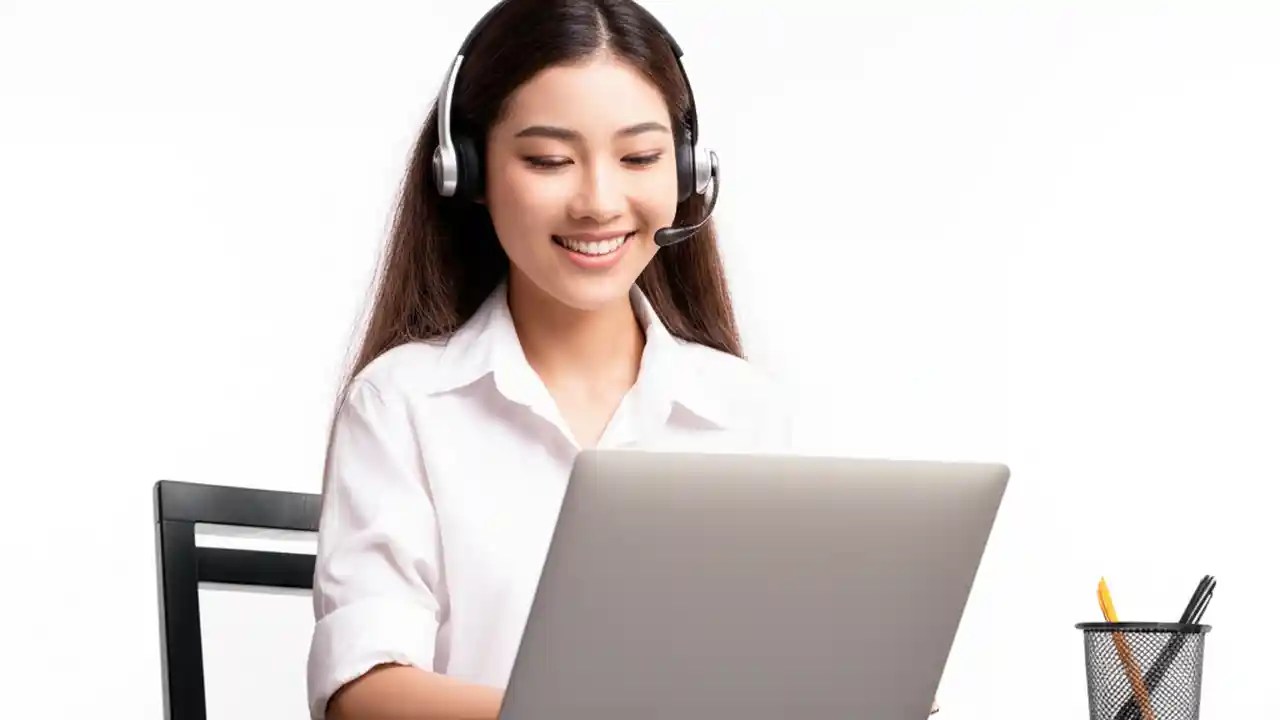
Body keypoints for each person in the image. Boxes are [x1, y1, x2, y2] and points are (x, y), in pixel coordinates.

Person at [305, 1, 794, 718]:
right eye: (549, 160)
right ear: (464, 170)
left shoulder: (741, 409)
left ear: (689, 170)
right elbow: (364, 691)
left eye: (640, 157)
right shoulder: (403, 403)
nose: (598, 201)